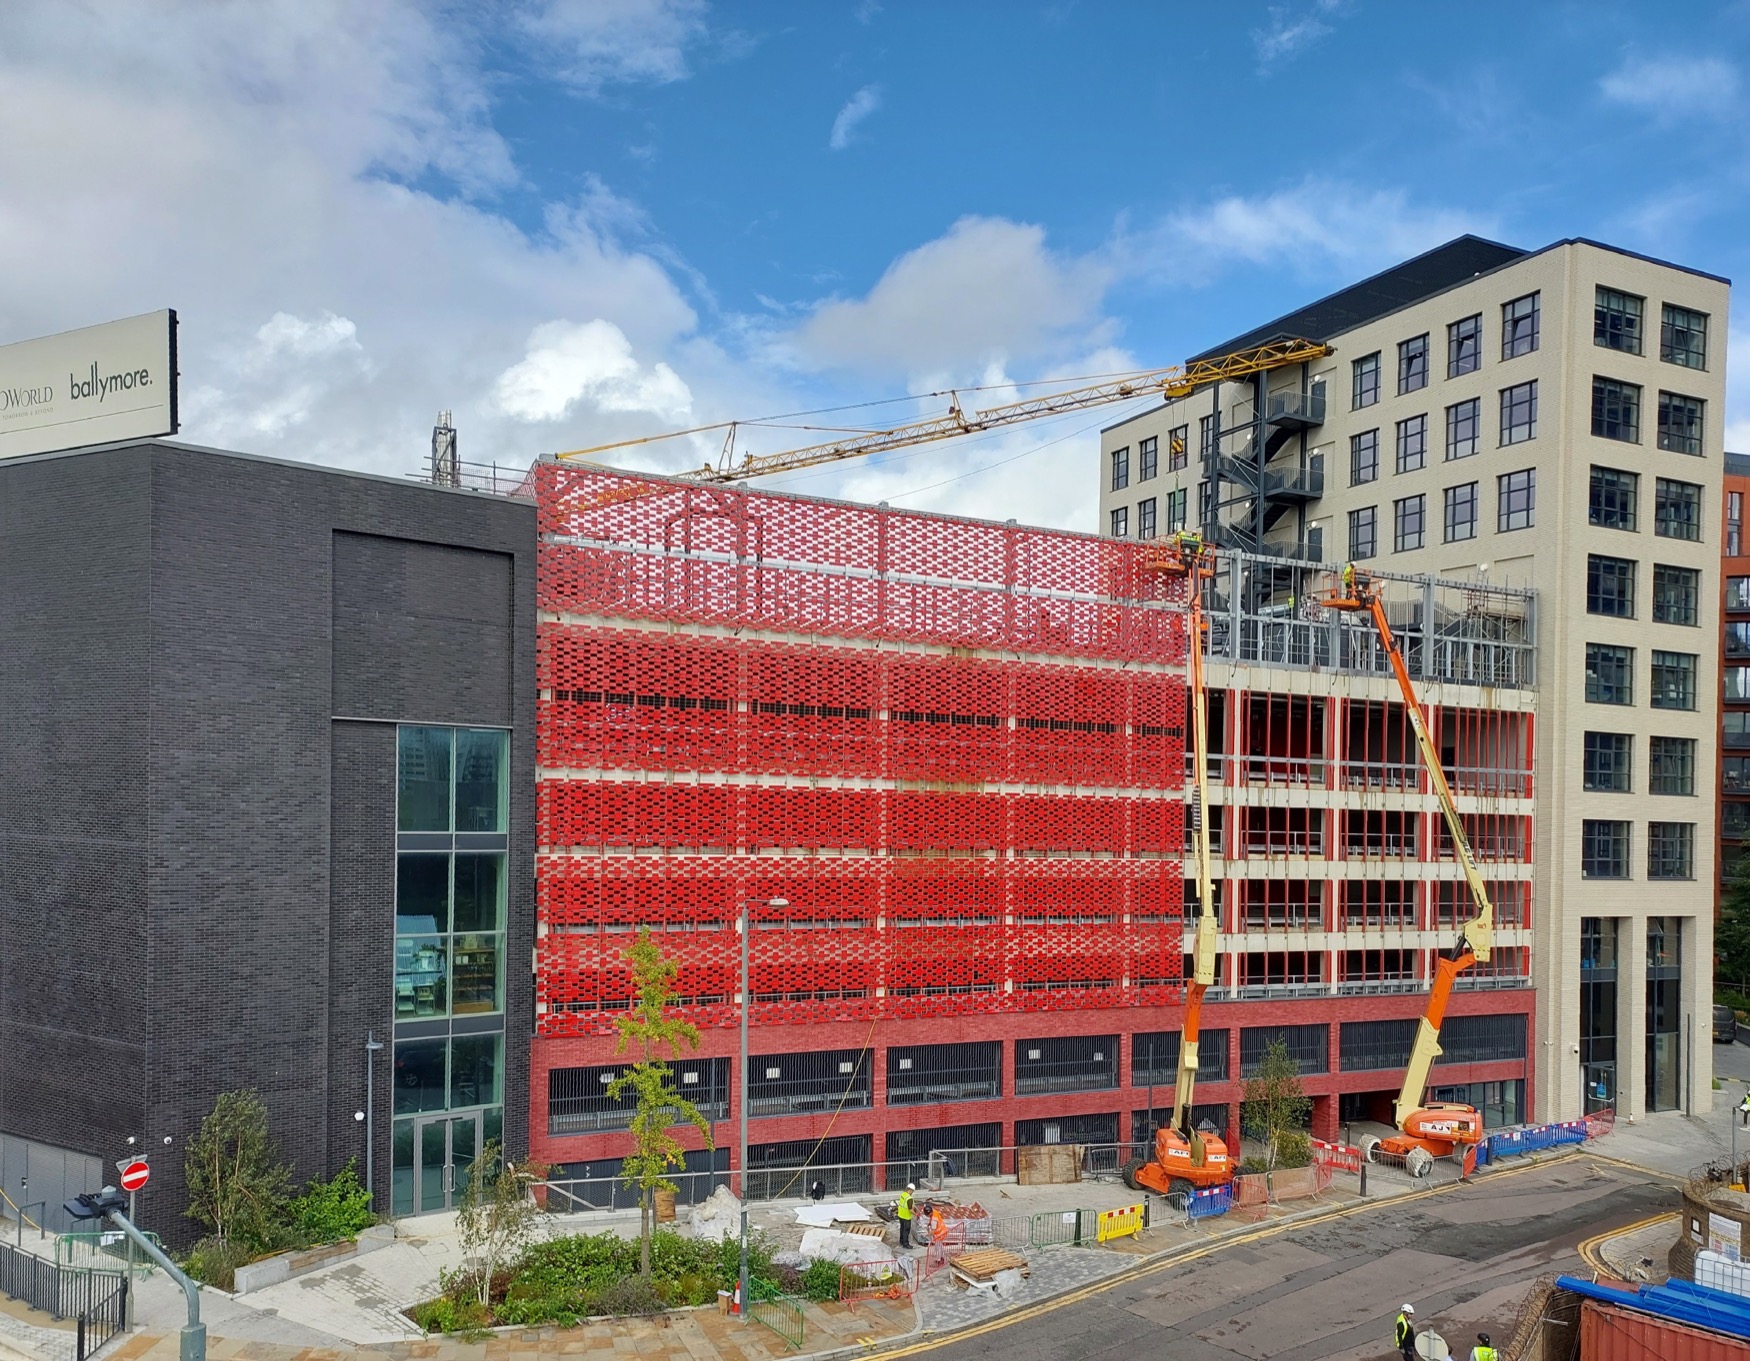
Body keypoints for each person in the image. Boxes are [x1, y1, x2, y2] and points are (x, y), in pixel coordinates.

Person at [896, 1182, 915, 1249]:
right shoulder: (909, 1198)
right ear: (910, 1190)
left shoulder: (903, 1194)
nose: (912, 1192)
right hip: (906, 1217)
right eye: (912, 1191)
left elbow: (902, 1204)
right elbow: (910, 1209)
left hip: (900, 1215)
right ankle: (906, 1244)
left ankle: (901, 1241)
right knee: (906, 1230)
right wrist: (916, 1214)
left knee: (902, 1229)